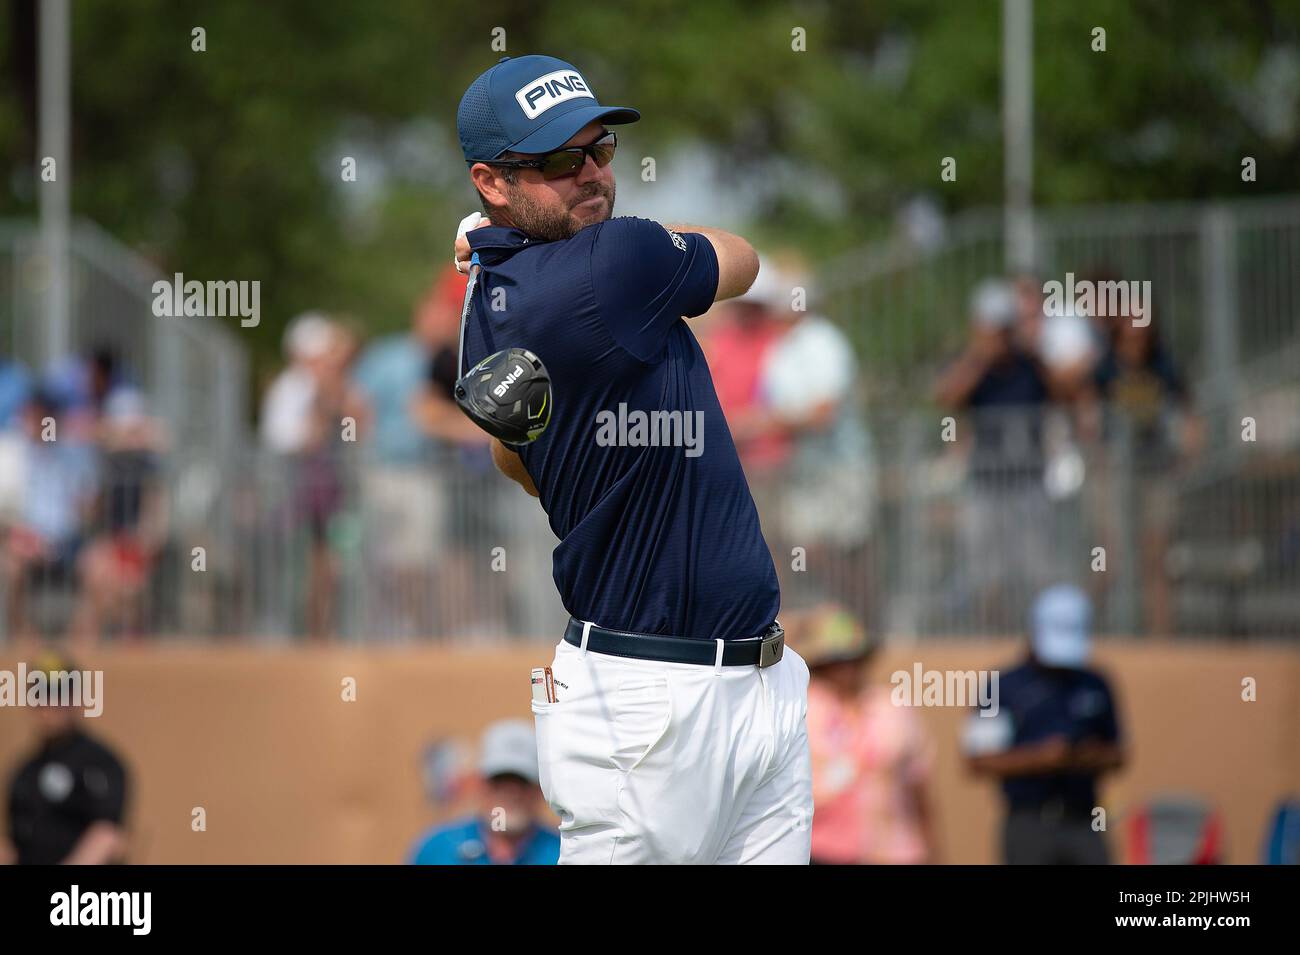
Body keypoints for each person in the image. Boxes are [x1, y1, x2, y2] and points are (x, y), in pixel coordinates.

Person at [452, 54, 811, 864]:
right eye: (554, 161)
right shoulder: (619, 261)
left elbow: (522, 467)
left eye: (599, 148)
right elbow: (745, 259)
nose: (590, 174)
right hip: (648, 704)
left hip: (751, 678)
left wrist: (486, 235)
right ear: (491, 180)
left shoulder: (486, 299)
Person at [963, 584, 1126, 864]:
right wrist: (1041, 758)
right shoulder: (1002, 687)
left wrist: (1082, 756)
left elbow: (1118, 753)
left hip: (1085, 819)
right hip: (1028, 823)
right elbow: (979, 761)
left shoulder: (1094, 684)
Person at [934, 278, 1058, 628]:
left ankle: (1036, 635)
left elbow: (1065, 392)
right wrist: (978, 356)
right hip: (986, 482)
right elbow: (946, 397)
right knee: (984, 570)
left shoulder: (1031, 363)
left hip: (1029, 481)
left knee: (1036, 569)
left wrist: (1035, 346)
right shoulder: (972, 365)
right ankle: (989, 634)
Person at [789, 605, 938, 865]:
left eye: (851, 659)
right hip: (823, 850)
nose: (845, 669)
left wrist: (932, 847)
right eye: (835, 661)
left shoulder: (893, 707)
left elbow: (918, 783)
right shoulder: (802, 710)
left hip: (893, 850)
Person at [2, 652, 131, 864]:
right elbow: (12, 844)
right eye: (41, 694)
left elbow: (108, 835)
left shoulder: (100, 763)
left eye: (59, 694)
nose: (49, 705)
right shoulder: (24, 772)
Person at [407, 720, 560, 865]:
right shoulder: (436, 851)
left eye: (522, 782)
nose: (511, 794)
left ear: (541, 789)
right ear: (479, 784)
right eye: (499, 781)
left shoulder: (564, 855)